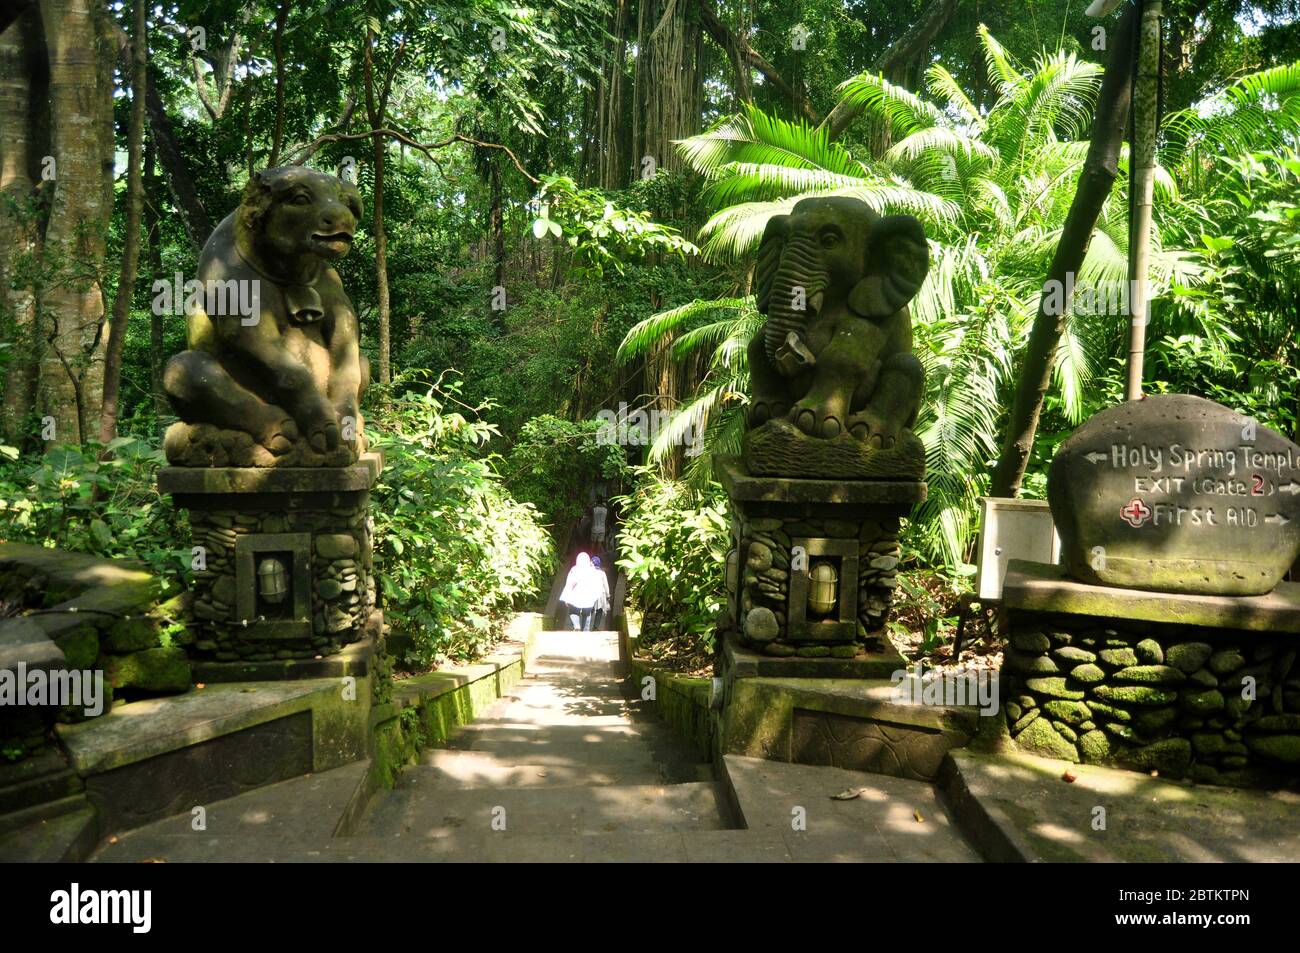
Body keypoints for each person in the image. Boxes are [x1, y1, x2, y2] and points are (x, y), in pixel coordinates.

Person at [560, 552, 603, 631]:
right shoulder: (593, 571)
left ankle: (576, 626)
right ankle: (585, 630)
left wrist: (567, 596)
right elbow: (598, 585)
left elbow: (570, 583)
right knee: (587, 613)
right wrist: (596, 596)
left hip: (576, 595)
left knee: (573, 611)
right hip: (589, 596)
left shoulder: (574, 569)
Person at [591, 555, 612, 628]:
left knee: (590, 610)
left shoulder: (588, 572)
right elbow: (606, 585)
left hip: (590, 594)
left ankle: (586, 626)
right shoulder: (602, 573)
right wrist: (608, 595)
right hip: (600, 594)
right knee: (599, 610)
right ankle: (595, 627)